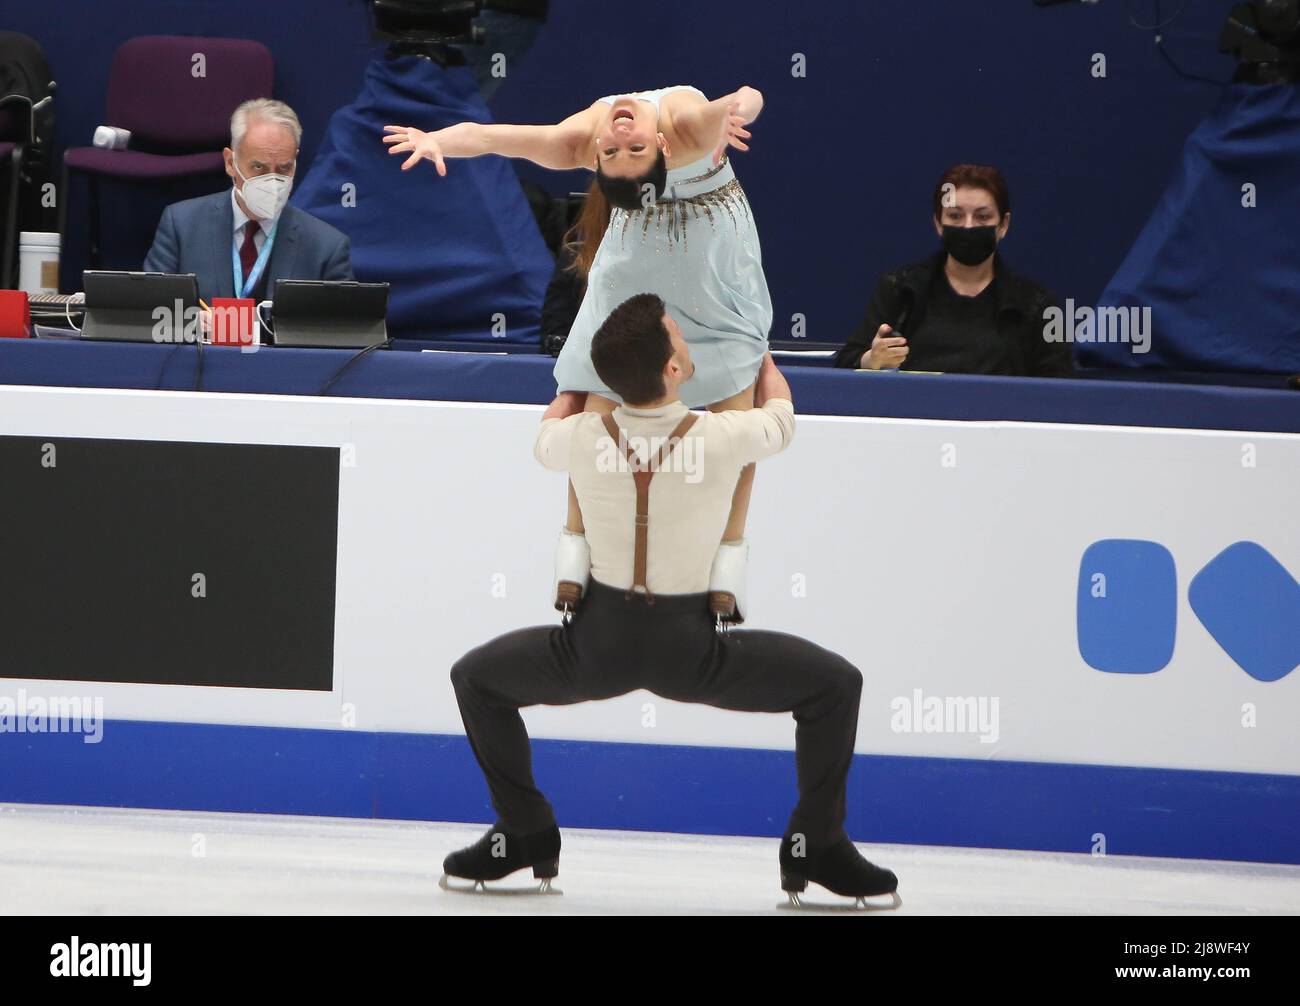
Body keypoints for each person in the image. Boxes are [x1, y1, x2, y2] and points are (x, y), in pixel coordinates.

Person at [440, 293, 900, 908]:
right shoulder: (722, 437)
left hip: (592, 648)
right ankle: (816, 842)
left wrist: (574, 385)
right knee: (835, 685)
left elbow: (547, 431)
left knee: (474, 678)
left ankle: (524, 828)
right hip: (692, 652)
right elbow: (781, 421)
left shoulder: (578, 439)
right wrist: (761, 362)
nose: (686, 338)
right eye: (679, 336)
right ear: (677, 371)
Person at [383, 83, 769, 626]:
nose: (620, 138)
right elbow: (497, 139)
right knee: (602, 402)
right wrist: (438, 141)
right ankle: (577, 548)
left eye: (627, 149)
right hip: (661, 251)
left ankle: (722, 560)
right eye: (618, 151)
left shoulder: (638, 127)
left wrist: (734, 113)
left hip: (699, 256)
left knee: (733, 407)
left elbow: (748, 97)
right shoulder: (641, 129)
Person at [835, 163, 1071, 377]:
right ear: (939, 223)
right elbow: (847, 361)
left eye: (982, 217)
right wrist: (872, 360)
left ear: (1003, 225)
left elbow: (1059, 388)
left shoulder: (1037, 305)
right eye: (955, 216)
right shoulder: (901, 290)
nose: (968, 226)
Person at [144, 99, 354, 316]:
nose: (272, 181)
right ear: (230, 163)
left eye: (283, 168)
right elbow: (148, 314)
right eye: (258, 167)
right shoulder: (181, 225)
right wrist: (187, 324)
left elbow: (341, 332)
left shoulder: (327, 247)